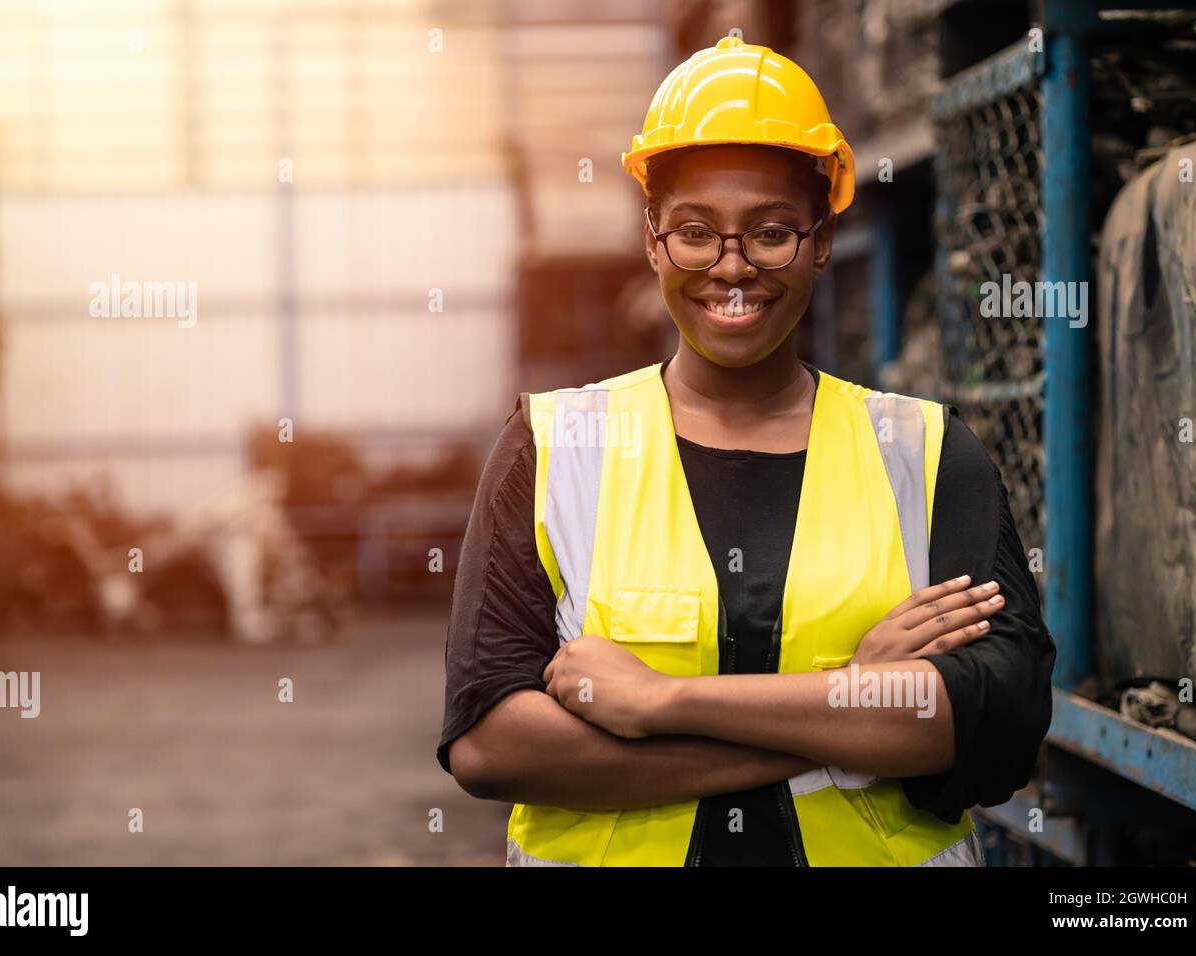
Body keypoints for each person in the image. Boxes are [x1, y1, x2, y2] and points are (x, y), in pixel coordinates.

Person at [437, 34, 1054, 866]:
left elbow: (1001, 720)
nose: (732, 268)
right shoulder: (554, 448)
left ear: (823, 241)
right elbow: (491, 744)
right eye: (695, 232)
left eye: (771, 232)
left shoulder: (924, 451)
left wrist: (663, 701)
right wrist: (850, 711)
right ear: (654, 241)